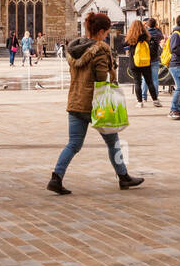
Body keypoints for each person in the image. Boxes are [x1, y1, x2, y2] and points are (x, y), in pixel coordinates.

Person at [46, 11, 144, 194]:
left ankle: (56, 178)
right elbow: (101, 77)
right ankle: (123, 177)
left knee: (73, 144)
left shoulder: (75, 49)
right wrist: (111, 72)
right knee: (113, 141)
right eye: (106, 32)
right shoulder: (100, 50)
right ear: (100, 32)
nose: (107, 35)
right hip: (96, 104)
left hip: (76, 101)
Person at [125, 20, 156, 108]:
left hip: (134, 63)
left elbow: (124, 45)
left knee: (137, 82)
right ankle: (155, 100)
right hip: (146, 62)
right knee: (149, 81)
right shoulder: (146, 36)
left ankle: (140, 102)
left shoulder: (131, 38)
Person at [145, 18, 163, 106]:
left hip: (145, 58)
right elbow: (162, 37)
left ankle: (143, 96)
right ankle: (155, 96)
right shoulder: (157, 33)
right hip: (155, 58)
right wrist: (157, 28)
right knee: (155, 79)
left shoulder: (145, 32)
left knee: (145, 79)